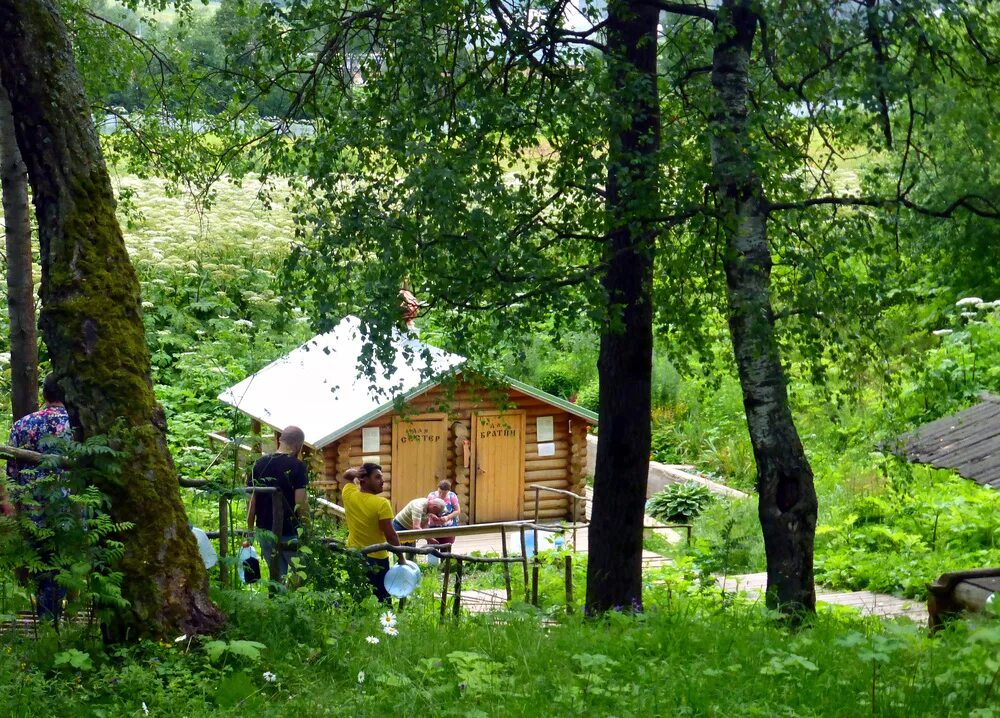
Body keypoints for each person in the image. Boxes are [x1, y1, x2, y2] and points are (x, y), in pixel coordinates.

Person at [1, 373, 73, 621]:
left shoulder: (23, 425)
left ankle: (47, 622)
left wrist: (13, 508)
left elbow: (11, 474)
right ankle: (53, 622)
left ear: (45, 394)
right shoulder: (77, 426)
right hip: (70, 511)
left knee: (39, 567)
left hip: (33, 511)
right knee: (64, 567)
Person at [246, 425, 309, 582]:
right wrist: (306, 528)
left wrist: (249, 530)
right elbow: (300, 502)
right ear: (298, 445)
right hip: (290, 532)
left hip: (264, 530)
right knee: (299, 576)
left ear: (279, 440)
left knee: (276, 578)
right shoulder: (298, 466)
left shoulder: (259, 464)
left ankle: (277, 603)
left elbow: (251, 502)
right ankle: (293, 605)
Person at [341, 463, 402, 603]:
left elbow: (346, 475)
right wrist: (401, 558)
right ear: (364, 480)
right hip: (377, 559)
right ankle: (386, 625)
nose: (382, 481)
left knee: (357, 599)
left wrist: (356, 473)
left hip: (354, 556)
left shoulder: (349, 495)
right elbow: (391, 535)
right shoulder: (382, 504)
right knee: (383, 600)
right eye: (377, 477)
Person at [426, 480, 460, 552]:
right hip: (433, 526)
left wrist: (447, 517)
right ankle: (432, 563)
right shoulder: (431, 496)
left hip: (448, 526)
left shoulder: (452, 496)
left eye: (444, 493)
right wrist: (432, 515)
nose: (441, 495)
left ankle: (445, 562)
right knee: (432, 548)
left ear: (448, 491)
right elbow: (426, 510)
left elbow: (457, 511)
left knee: (445, 548)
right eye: (440, 492)